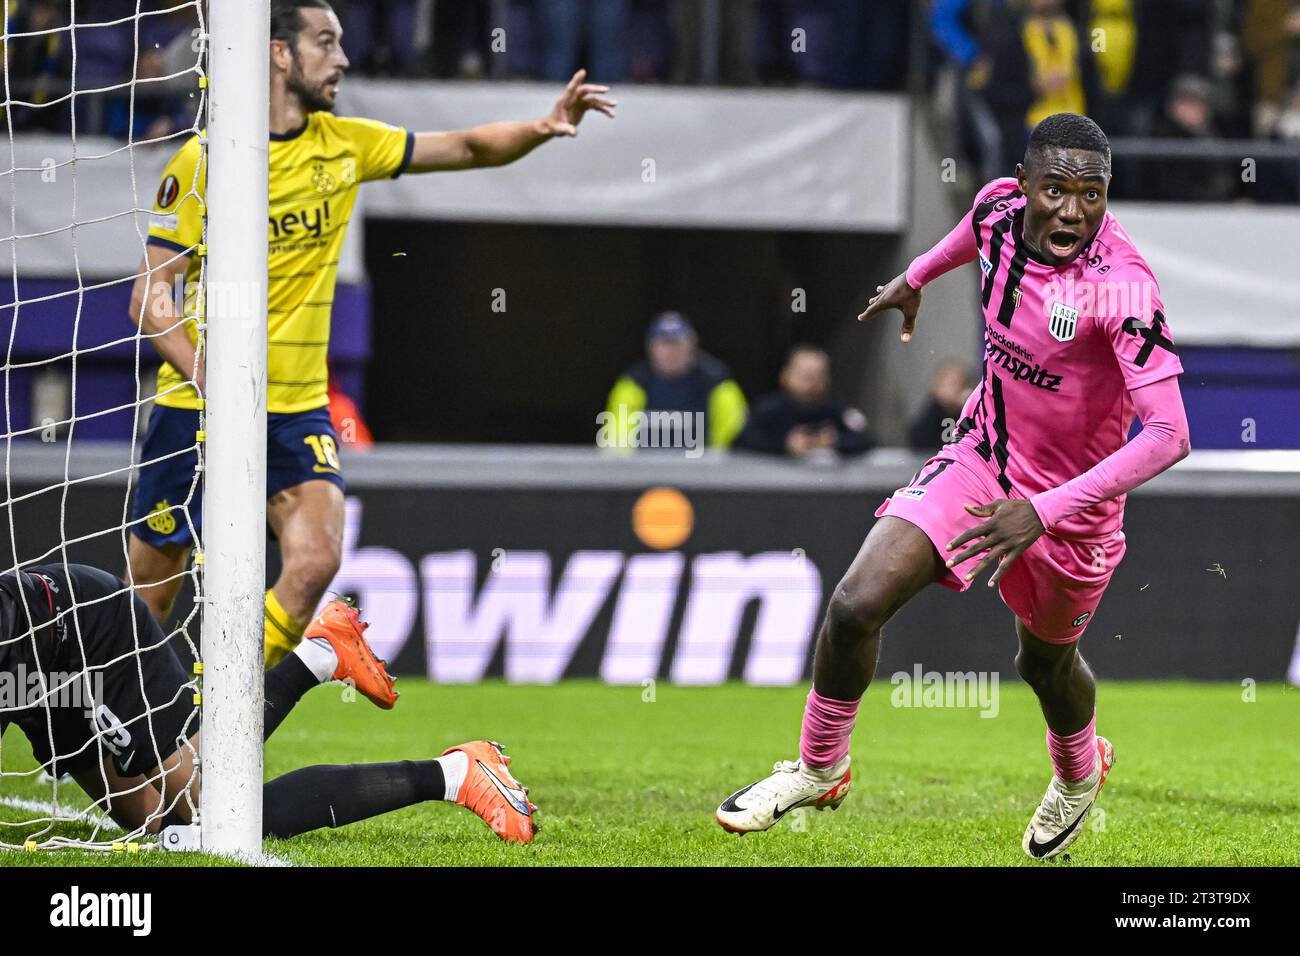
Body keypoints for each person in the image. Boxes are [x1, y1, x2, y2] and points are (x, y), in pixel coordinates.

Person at [716, 113, 1190, 861]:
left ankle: (1076, 773)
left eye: (1092, 194)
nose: (1073, 210)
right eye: (1057, 190)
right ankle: (819, 767)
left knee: (1043, 664)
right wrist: (916, 276)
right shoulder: (999, 207)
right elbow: (970, 229)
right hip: (984, 455)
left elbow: (1170, 434)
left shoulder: (1123, 289)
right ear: (1026, 184)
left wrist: (1044, 509)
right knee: (854, 603)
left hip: (1072, 507)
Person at [127, 0, 616, 668]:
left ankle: (211, 704)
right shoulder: (204, 160)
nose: (343, 60)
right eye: (325, 43)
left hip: (294, 407)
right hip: (196, 409)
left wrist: (543, 125)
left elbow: (466, 148)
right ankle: (127, 732)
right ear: (279, 53)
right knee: (151, 598)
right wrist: (205, 375)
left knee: (316, 561)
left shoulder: (346, 145)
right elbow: (153, 298)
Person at [0, 566, 537, 842]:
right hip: (33, 672)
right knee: (161, 828)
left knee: (205, 812)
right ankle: (322, 655)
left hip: (86, 635)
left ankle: (453, 773)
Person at [603, 312, 747, 453]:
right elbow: (618, 441)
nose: (670, 351)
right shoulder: (633, 384)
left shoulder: (717, 385)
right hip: (646, 470)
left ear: (691, 346)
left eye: (676, 344)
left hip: (701, 472)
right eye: (663, 344)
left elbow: (731, 442)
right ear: (651, 347)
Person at [734, 345, 874, 459]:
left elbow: (866, 438)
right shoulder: (768, 410)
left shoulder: (835, 410)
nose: (812, 384)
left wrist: (833, 441)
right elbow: (741, 441)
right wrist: (785, 444)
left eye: (819, 376)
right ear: (786, 376)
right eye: (806, 376)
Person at [908, 360, 976, 451]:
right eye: (947, 384)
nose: (951, 390)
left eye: (956, 384)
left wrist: (969, 406)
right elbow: (920, 441)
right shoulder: (933, 412)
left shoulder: (969, 412)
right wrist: (937, 402)